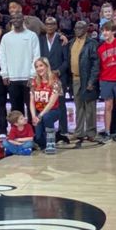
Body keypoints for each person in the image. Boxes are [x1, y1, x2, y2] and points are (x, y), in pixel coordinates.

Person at [0, 14, 41, 115]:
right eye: (14, 18)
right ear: (11, 21)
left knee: (32, 107)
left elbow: (36, 56)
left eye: (18, 18)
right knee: (16, 109)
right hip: (12, 79)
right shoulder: (6, 37)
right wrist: (4, 74)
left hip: (28, 78)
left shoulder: (32, 35)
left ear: (23, 19)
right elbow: (2, 56)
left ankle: (33, 130)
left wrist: (32, 75)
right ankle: (19, 130)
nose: (16, 20)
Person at [39, 16, 70, 144]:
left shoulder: (61, 39)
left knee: (61, 104)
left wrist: (59, 71)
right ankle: (46, 131)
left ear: (56, 26)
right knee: (44, 103)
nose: (50, 26)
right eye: (47, 24)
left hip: (59, 78)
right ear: (44, 26)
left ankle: (62, 131)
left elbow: (66, 60)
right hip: (44, 78)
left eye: (52, 24)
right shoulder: (40, 40)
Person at [69, 20, 100, 146]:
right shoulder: (71, 43)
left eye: (80, 28)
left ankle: (91, 133)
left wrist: (92, 80)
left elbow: (95, 64)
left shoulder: (92, 43)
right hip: (75, 79)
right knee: (78, 106)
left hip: (87, 79)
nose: (77, 30)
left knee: (90, 107)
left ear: (86, 29)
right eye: (76, 27)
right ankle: (79, 132)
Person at [96, 21, 116, 142]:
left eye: (107, 30)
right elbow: (99, 66)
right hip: (106, 80)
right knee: (107, 107)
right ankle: (107, 132)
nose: (105, 33)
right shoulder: (100, 48)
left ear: (113, 31)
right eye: (103, 31)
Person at [29, 57, 64, 154]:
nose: (39, 68)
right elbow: (31, 101)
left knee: (46, 117)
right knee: (39, 138)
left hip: (53, 111)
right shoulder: (33, 82)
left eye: (41, 66)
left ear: (47, 66)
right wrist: (33, 116)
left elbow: (51, 103)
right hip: (38, 111)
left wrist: (39, 116)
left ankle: (51, 143)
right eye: (36, 67)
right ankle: (44, 143)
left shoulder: (55, 81)